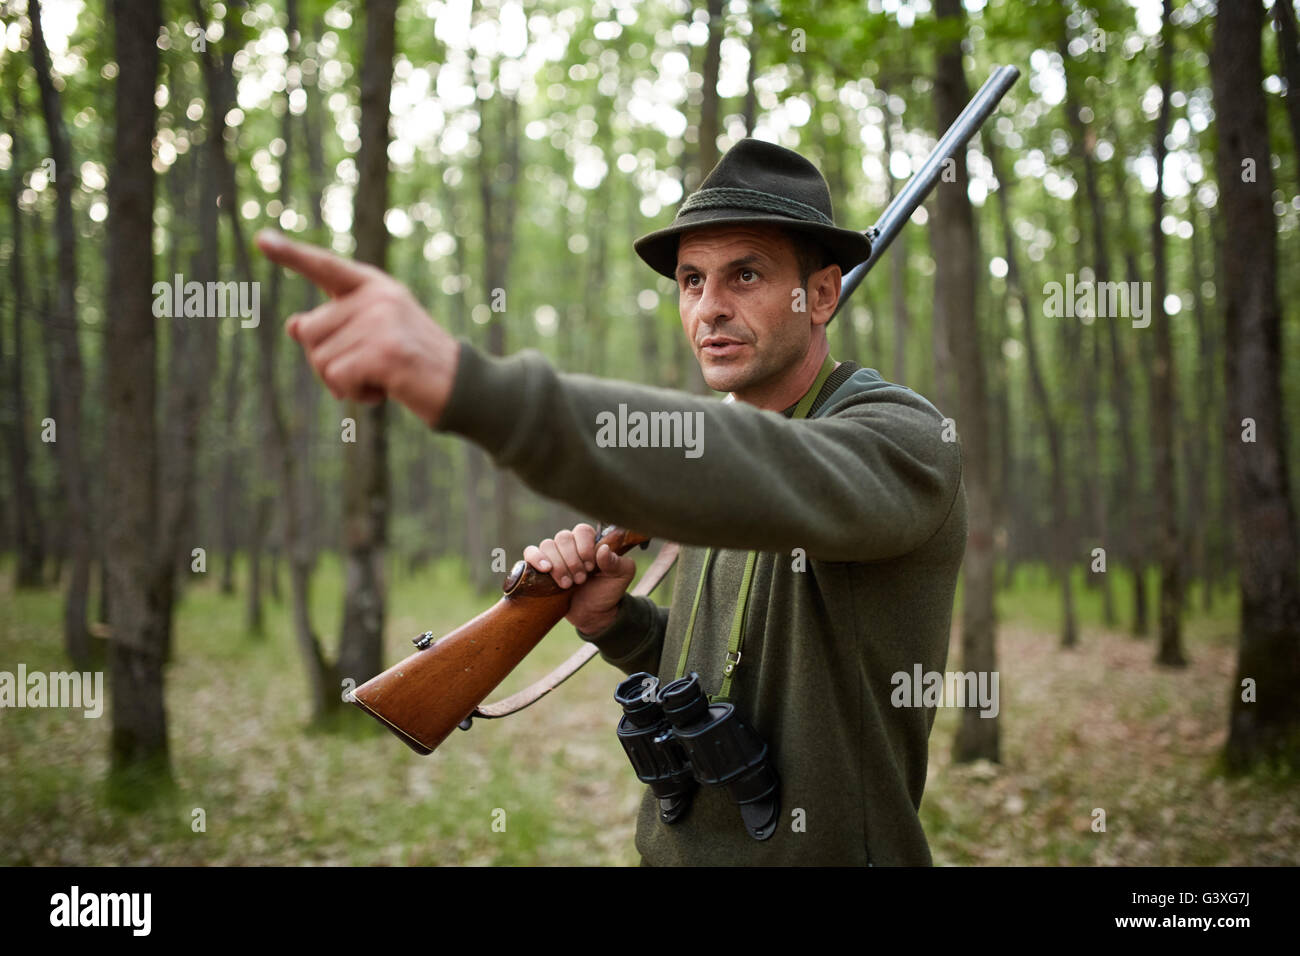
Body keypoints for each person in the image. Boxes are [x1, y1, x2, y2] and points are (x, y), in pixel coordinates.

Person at [257, 137, 967, 866]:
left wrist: (463, 383)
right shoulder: (729, 448)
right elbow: (729, 669)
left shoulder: (902, 439)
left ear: (821, 294)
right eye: (692, 281)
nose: (710, 308)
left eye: (745, 275)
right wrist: (617, 624)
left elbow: (764, 473)